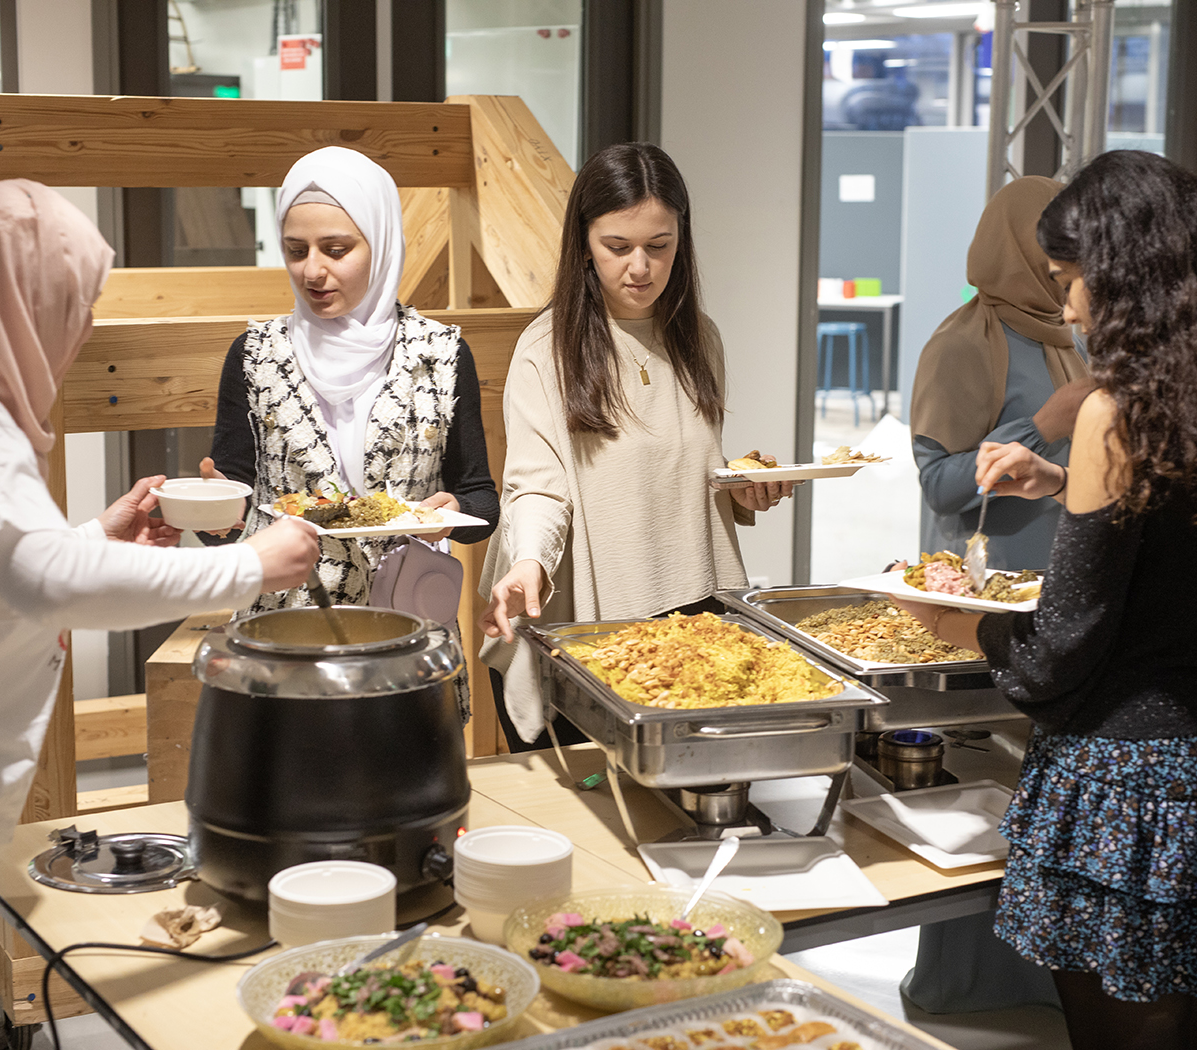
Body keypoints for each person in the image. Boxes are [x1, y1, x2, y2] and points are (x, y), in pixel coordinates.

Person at [899, 151, 1197, 1049]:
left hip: (1129, 786)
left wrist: (957, 624)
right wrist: (1062, 483)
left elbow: (1057, 653)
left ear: (1130, 280)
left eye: (1074, 281)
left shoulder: (1115, 413)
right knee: (1194, 1033)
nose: (1070, 307)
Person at [0, 180, 319, 1050]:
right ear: (18, 303)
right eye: (72, 306)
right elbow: (38, 579)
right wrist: (249, 567)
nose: (79, 333)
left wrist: (99, 534)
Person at [477, 142, 790, 752]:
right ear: (583, 244)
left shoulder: (700, 337)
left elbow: (683, 467)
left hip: (693, 609)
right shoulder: (546, 349)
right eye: (617, 248)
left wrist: (744, 488)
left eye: (659, 246)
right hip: (584, 620)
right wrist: (528, 561)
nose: (640, 268)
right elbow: (539, 486)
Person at [202, 146, 498, 608]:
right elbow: (231, 516)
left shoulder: (440, 354)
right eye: (296, 251)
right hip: (285, 622)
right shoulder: (257, 355)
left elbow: (480, 496)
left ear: (380, 245)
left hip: (406, 620)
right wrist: (215, 512)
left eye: (336, 250)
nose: (313, 271)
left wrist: (453, 514)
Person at [909, 175, 1092, 570]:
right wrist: (1042, 427)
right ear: (1018, 247)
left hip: (1061, 570)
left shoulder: (1069, 339)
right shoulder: (960, 346)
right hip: (986, 584)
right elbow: (940, 487)